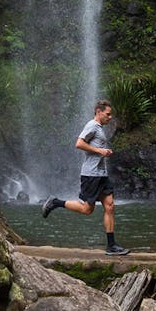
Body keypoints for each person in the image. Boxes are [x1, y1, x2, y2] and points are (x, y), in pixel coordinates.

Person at [41, 99, 130, 256]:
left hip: (102, 174)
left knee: (110, 206)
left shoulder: (99, 128)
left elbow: (95, 147)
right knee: (87, 209)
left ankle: (111, 246)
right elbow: (79, 143)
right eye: (108, 114)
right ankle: (55, 202)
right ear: (98, 112)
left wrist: (104, 152)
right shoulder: (92, 126)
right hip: (91, 175)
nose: (110, 117)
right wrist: (100, 151)